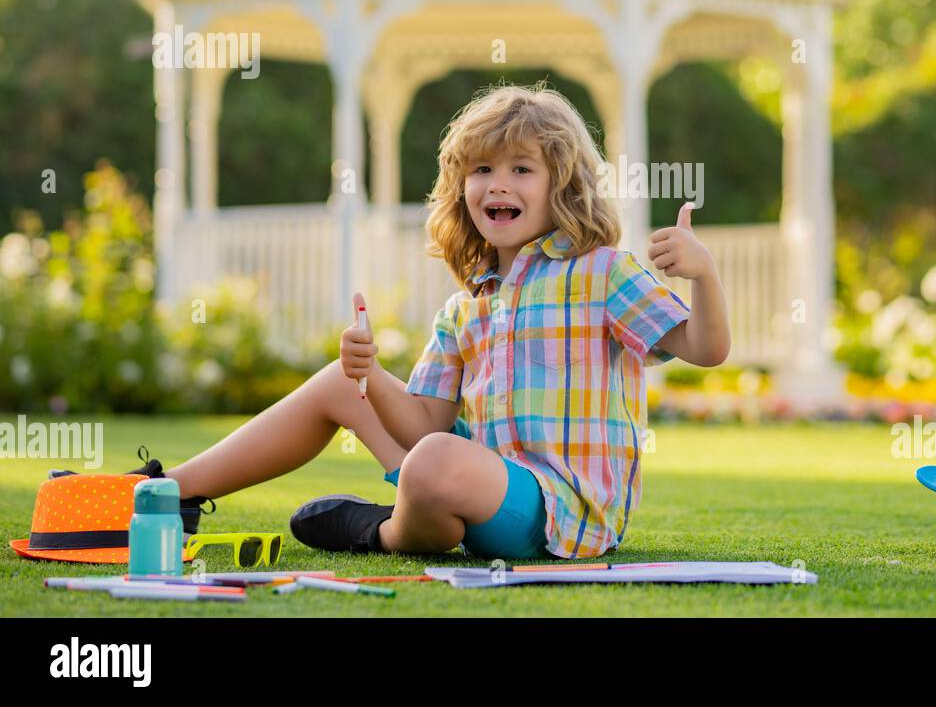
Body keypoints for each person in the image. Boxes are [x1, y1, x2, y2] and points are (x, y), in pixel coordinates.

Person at [160, 82, 731, 561]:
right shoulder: (465, 309)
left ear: (563, 186)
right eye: (482, 168)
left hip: (560, 512)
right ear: (463, 188)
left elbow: (706, 348)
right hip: (469, 472)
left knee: (433, 463)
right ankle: (166, 493)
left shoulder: (605, 273)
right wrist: (370, 373)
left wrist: (703, 275)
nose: (498, 183)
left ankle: (384, 532)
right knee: (343, 383)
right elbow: (421, 424)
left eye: (522, 168)